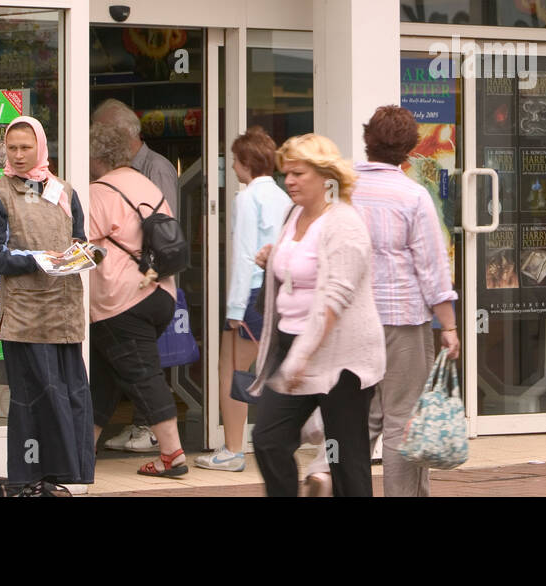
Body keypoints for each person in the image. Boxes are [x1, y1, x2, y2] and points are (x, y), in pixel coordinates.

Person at [317, 106, 460, 497]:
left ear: (368, 141)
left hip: (349, 322)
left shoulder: (341, 191)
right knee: (402, 421)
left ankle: (341, 486)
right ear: (411, 149)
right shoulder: (413, 196)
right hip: (402, 320)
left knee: (355, 420)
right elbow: (432, 268)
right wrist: (448, 326)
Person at [246, 134, 386, 497]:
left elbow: (333, 300)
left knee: (345, 457)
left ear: (326, 176)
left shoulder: (344, 223)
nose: (289, 181)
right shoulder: (294, 215)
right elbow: (300, 265)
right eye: (286, 174)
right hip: (295, 345)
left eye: (298, 173)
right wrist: (273, 257)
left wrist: (303, 357)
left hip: (342, 356)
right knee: (268, 439)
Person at [0, 115, 94, 490]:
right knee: (33, 405)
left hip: (64, 315)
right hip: (25, 319)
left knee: (69, 399)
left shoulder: (64, 191)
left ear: (41, 147)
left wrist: (88, 253)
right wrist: (36, 259)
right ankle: (29, 481)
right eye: (12, 148)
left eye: (26, 147)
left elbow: (78, 239)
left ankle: (61, 480)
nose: (19, 154)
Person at [87, 121, 187, 478]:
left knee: (144, 376)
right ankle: (83, 451)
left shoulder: (99, 192)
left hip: (121, 301)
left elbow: (80, 248)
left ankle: (172, 455)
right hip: (159, 293)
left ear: (95, 155)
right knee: (104, 377)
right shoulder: (145, 185)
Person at [195, 127, 292, 472]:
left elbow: (244, 256)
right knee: (277, 370)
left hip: (250, 295)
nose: (232, 166)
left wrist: (234, 309)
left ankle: (233, 449)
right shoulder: (283, 197)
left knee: (232, 370)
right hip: (277, 294)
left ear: (246, 162)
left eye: (234, 160)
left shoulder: (246, 198)